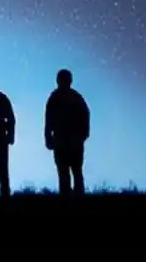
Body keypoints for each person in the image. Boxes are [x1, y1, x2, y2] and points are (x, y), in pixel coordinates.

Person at [44, 68, 90, 196]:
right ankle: (70, 196)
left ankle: (72, 195)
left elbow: (49, 119)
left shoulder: (62, 97)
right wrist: (48, 137)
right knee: (68, 170)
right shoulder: (70, 97)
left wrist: (82, 135)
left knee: (72, 170)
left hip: (70, 139)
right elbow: (49, 118)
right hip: (64, 139)